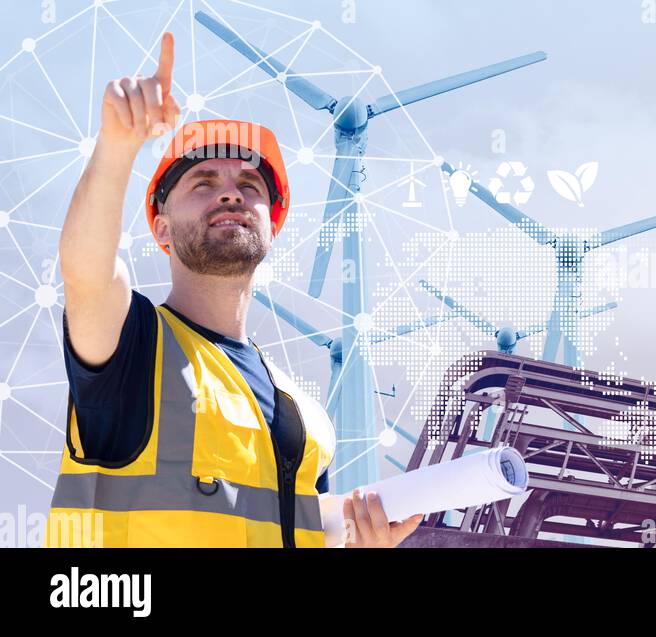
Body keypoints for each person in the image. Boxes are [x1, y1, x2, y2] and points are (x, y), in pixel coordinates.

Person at [48, 31, 419, 548]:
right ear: (160, 228)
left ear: (272, 226)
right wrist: (118, 146)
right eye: (202, 182)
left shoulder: (306, 416)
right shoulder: (131, 347)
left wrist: (363, 538)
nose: (230, 191)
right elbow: (86, 269)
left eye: (250, 186)